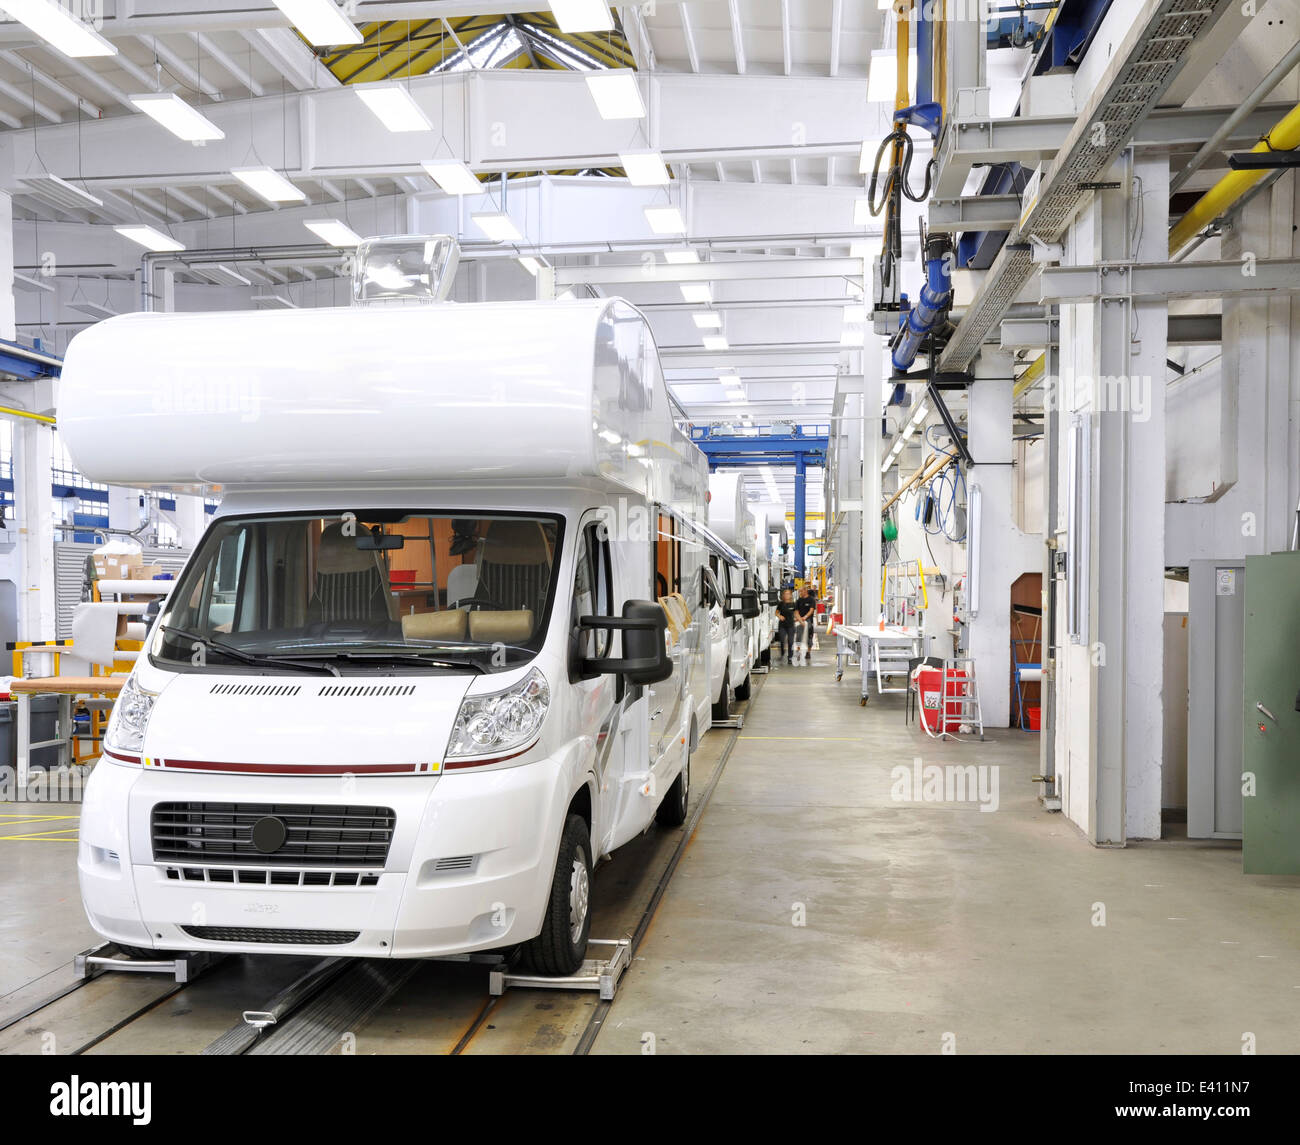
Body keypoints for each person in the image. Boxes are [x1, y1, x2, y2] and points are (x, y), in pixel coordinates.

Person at [794, 585, 818, 662]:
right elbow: (796, 611)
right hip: (800, 620)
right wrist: (799, 619)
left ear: (805, 591)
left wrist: (805, 617)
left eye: (801, 591)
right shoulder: (798, 601)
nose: (800, 593)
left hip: (808, 620)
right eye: (799, 592)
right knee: (798, 636)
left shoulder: (811, 600)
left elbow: (811, 610)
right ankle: (798, 652)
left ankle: (808, 652)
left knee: (809, 636)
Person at [775, 588, 797, 665]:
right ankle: (782, 652)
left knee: (790, 642)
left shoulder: (793, 604)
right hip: (782, 626)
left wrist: (800, 620)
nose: (787, 595)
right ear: (783, 595)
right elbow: (776, 613)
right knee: (782, 640)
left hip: (791, 625)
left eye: (788, 594)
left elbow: (796, 613)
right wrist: (779, 616)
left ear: (790, 595)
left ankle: (790, 657)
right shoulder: (781, 604)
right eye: (786, 594)